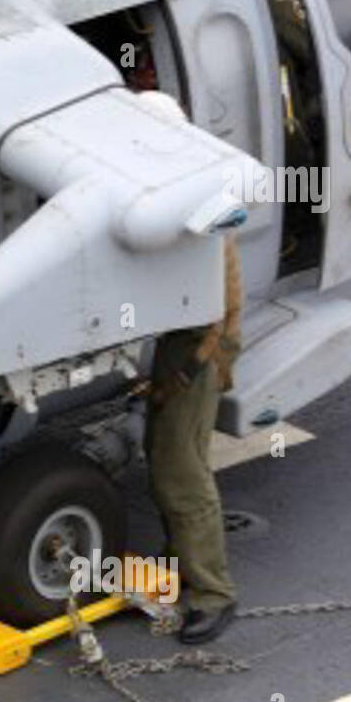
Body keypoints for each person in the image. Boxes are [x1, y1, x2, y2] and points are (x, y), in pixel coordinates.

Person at [145, 233, 243, 645]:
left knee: (181, 470)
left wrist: (193, 366)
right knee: (162, 451)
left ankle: (214, 594)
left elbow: (218, 313)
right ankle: (182, 560)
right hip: (183, 338)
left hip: (201, 344)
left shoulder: (203, 222)